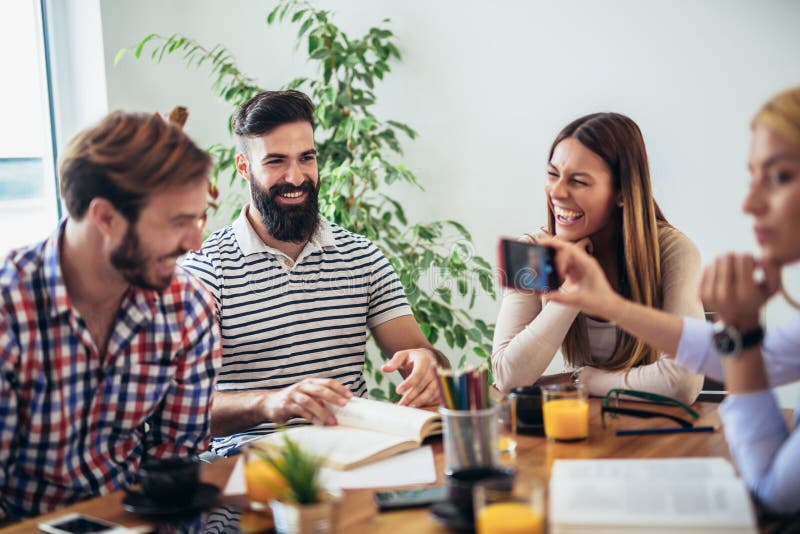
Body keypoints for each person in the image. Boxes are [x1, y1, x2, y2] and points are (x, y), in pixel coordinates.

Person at [540, 87, 800, 514]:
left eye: (780, 177)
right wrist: (608, 304)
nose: (749, 203)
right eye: (752, 176)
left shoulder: (672, 249)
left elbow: (777, 493)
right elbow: (760, 361)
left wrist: (741, 336)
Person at [181, 90, 448, 456]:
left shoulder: (362, 257)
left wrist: (427, 364)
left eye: (306, 158)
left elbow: (423, 354)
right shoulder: (204, 271)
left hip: (358, 455)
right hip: (253, 466)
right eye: (276, 161)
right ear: (244, 167)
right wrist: (270, 404)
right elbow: (182, 408)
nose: (296, 177)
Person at [0, 111, 222, 520]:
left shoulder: (188, 309)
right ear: (105, 217)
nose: (195, 243)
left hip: (138, 521)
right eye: (178, 222)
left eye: (199, 218)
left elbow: (175, 470)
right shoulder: (9, 312)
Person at [492, 113, 704, 403]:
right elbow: (507, 376)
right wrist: (570, 294)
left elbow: (683, 382)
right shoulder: (533, 250)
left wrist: (585, 379)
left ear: (621, 193)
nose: (556, 192)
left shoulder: (673, 251)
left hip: (652, 430)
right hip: (582, 426)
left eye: (578, 181)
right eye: (553, 174)